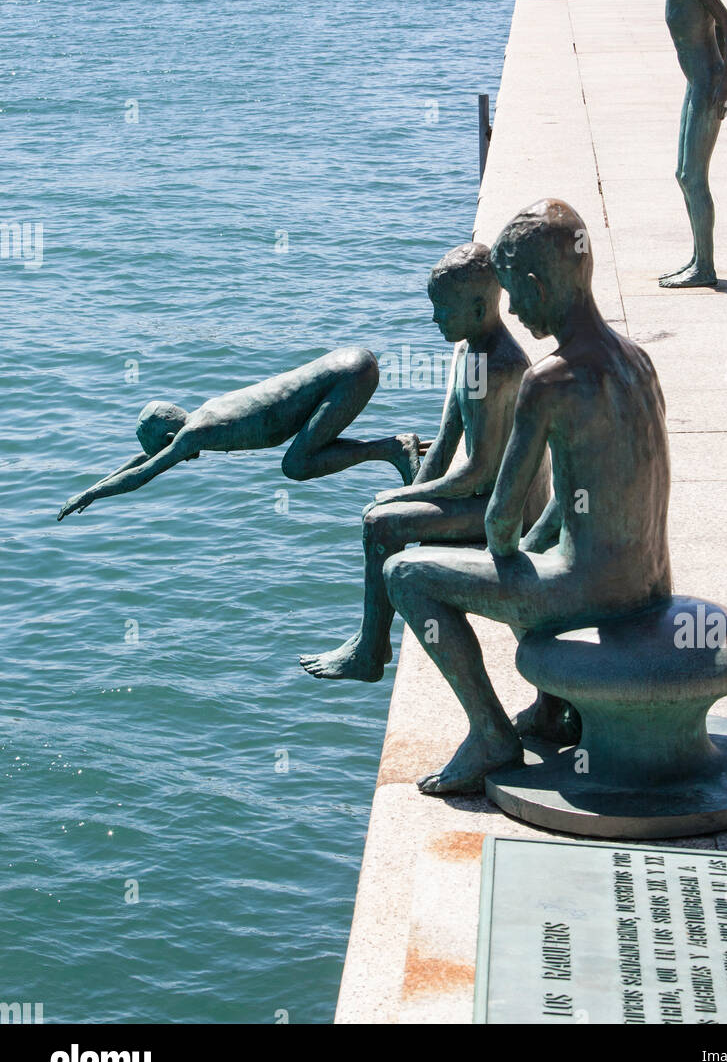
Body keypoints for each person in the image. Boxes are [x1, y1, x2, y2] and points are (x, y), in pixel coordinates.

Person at [382, 201, 673, 794]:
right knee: (532, 560)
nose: (511, 309)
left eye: (515, 293)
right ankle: (549, 708)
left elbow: (498, 524)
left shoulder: (549, 379)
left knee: (406, 574)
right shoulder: (637, 360)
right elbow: (578, 496)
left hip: (591, 592)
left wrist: (489, 549)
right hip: (649, 583)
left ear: (538, 286)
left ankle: (489, 733)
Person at [300, 244, 549, 684]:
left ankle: (370, 649)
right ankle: (370, 643)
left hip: (508, 510)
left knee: (381, 524)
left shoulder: (500, 367)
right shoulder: (467, 351)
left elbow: (480, 471)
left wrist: (404, 497)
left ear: (478, 307)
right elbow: (447, 441)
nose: (435, 320)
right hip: (484, 496)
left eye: (443, 311)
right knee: (384, 516)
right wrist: (411, 493)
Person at [57, 350, 423, 521]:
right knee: (301, 456)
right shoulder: (201, 413)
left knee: (295, 465)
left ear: (171, 436)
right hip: (349, 364)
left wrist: (92, 494)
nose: (175, 454)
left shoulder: (194, 434)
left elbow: (144, 474)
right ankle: (392, 449)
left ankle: (395, 448)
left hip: (347, 375)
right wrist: (93, 487)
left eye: (167, 448)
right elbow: (146, 460)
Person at [635, 0, 727, 288]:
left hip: (707, 86)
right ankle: (698, 257)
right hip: (697, 84)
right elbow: (714, 29)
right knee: (682, 174)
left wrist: (726, 87)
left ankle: (706, 268)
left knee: (694, 177)